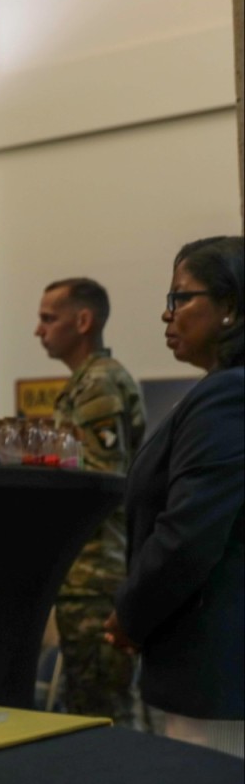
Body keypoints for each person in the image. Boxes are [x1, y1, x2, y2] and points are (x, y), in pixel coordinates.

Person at [105, 236, 244, 757]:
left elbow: (188, 534)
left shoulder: (227, 394)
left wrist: (130, 615)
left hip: (218, 673)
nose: (167, 314)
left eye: (180, 298)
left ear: (230, 306)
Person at [35, 278, 146, 725]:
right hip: (85, 570)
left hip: (97, 572)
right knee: (90, 705)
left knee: (104, 713)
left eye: (48, 318)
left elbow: (103, 478)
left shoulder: (99, 384)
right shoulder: (86, 382)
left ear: (83, 321)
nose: (39, 330)